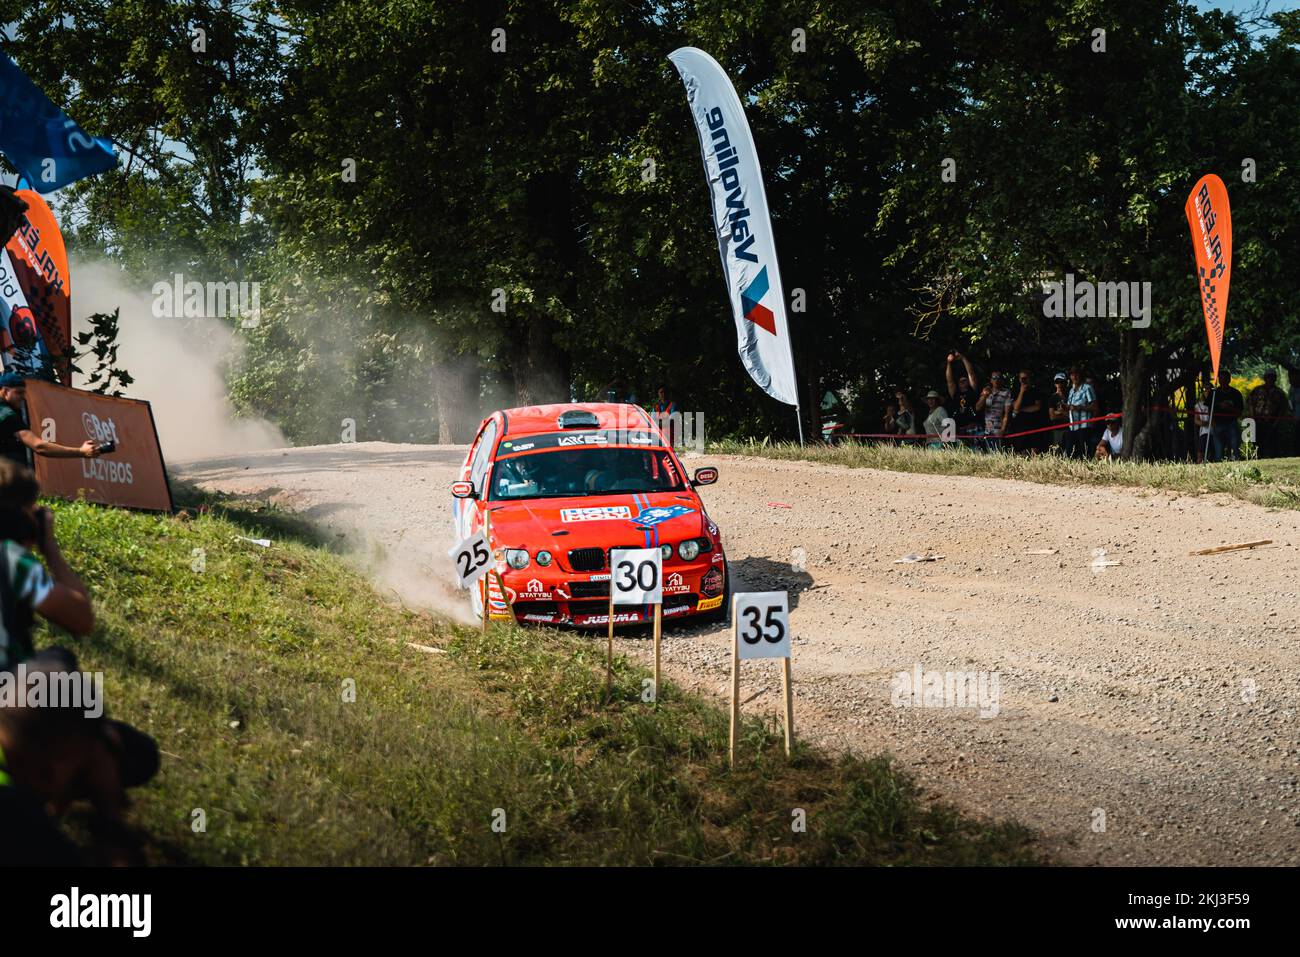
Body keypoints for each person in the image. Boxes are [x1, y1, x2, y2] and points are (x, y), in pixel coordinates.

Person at [0, 459, 94, 671]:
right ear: (20, 517)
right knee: (60, 663)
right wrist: (49, 546)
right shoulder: (10, 560)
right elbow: (82, 619)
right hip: (8, 689)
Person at [0, 372, 105, 467]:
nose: (23, 397)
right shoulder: (6, 414)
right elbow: (39, 446)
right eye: (19, 392)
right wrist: (81, 451)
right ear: (4, 391)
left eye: (23, 393)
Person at [1247, 370, 1290, 459]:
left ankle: (1272, 458)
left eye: (1272, 377)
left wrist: (1277, 421)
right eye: (1268, 377)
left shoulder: (1279, 392)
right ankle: (1257, 457)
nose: (1270, 379)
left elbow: (1283, 408)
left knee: (1272, 442)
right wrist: (1252, 418)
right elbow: (1250, 404)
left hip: (1272, 421)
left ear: (1275, 379)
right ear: (1265, 378)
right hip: (1258, 420)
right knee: (1257, 442)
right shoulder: (1257, 390)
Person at [1009, 370, 1049, 455]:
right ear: (1019, 379)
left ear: (1029, 379)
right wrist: (1021, 392)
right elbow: (1016, 407)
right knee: (1022, 452)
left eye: (1025, 378)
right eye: (1021, 378)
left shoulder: (1035, 391)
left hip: (1034, 426)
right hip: (1020, 427)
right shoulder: (1015, 391)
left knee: (1035, 451)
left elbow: (1037, 407)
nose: (1023, 380)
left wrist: (1021, 410)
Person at [1064, 366, 1099, 459]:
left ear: (1080, 375)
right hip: (1072, 427)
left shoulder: (1087, 388)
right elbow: (1069, 408)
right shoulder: (1071, 390)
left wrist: (1079, 407)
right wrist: (1064, 408)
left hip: (1084, 426)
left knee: (1084, 454)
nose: (1074, 377)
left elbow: (1095, 407)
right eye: (1072, 374)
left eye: (1076, 374)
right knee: (1069, 454)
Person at [1208, 369, 1244, 462]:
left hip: (1231, 424)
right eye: (1221, 379)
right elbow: (1209, 410)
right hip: (1217, 424)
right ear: (1219, 380)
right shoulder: (1214, 393)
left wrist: (1229, 408)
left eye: (1225, 379)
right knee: (1218, 452)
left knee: (1234, 449)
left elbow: (1240, 412)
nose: (1223, 381)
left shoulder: (1236, 393)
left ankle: (1236, 466)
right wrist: (1212, 422)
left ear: (1229, 380)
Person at [945, 351, 980, 441]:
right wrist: (949, 363)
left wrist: (963, 358)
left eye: (965, 380)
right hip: (958, 429)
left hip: (972, 427)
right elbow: (949, 380)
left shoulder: (972, 390)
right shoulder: (955, 393)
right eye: (961, 381)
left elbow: (971, 373)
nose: (962, 382)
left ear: (968, 381)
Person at [975, 372, 1011, 451]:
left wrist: (1002, 430)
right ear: (991, 380)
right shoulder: (986, 391)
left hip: (999, 429)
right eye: (994, 378)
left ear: (1002, 380)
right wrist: (984, 395)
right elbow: (977, 408)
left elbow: (1006, 414)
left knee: (996, 454)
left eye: (998, 378)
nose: (996, 380)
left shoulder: (1006, 392)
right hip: (987, 429)